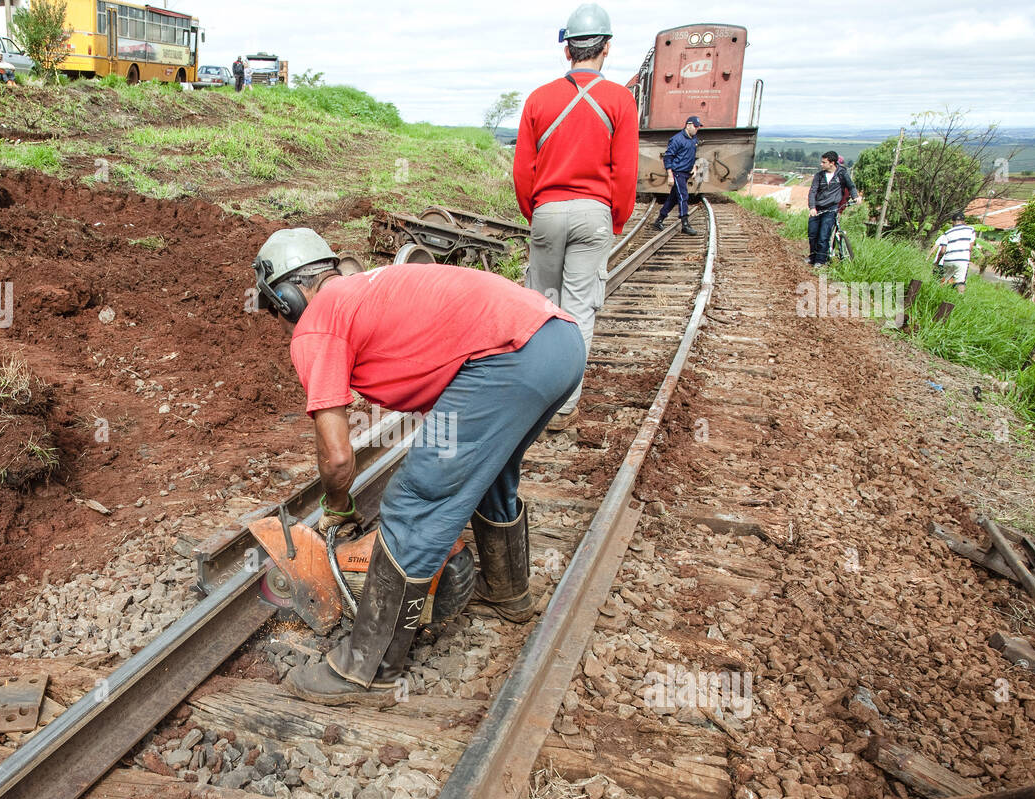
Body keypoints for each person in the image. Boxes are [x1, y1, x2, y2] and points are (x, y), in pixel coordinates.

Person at [252, 228, 586, 705]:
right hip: (559, 342)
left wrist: (339, 505)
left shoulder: (317, 322)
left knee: (415, 501)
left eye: (275, 312)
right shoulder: (368, 288)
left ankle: (366, 670)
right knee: (488, 473)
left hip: (510, 360)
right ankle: (509, 592)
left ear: (285, 298)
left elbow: (338, 455)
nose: (281, 321)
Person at [512, 3, 637, 433]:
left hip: (546, 210)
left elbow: (522, 170)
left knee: (542, 306)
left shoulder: (539, 99)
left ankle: (533, 397)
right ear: (606, 49)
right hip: (595, 213)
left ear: (568, 51)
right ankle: (566, 405)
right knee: (579, 310)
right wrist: (615, 219)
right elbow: (626, 172)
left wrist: (537, 213)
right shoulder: (620, 100)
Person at [807, 150, 860, 266]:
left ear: (832, 163)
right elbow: (813, 191)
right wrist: (812, 207)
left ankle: (820, 261)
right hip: (817, 207)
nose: (821, 164)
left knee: (824, 235)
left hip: (831, 208)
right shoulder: (819, 176)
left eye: (824, 162)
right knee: (813, 234)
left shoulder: (842, 174)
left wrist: (856, 196)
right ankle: (812, 257)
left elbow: (851, 186)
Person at [653, 116, 702, 234]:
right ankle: (685, 223)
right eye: (695, 126)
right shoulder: (676, 139)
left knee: (674, 197)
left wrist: (694, 167)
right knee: (683, 196)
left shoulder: (694, 139)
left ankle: (659, 220)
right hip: (678, 173)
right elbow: (668, 157)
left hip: (686, 173)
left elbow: (693, 155)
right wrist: (670, 175)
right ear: (688, 125)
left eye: (698, 127)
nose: (697, 129)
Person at [933, 212, 976, 294]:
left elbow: (942, 251)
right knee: (960, 282)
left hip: (948, 259)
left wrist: (937, 262)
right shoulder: (970, 230)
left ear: (952, 221)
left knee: (943, 280)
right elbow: (970, 247)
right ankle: (960, 299)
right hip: (962, 260)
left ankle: (937, 295)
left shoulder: (948, 232)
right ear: (963, 221)